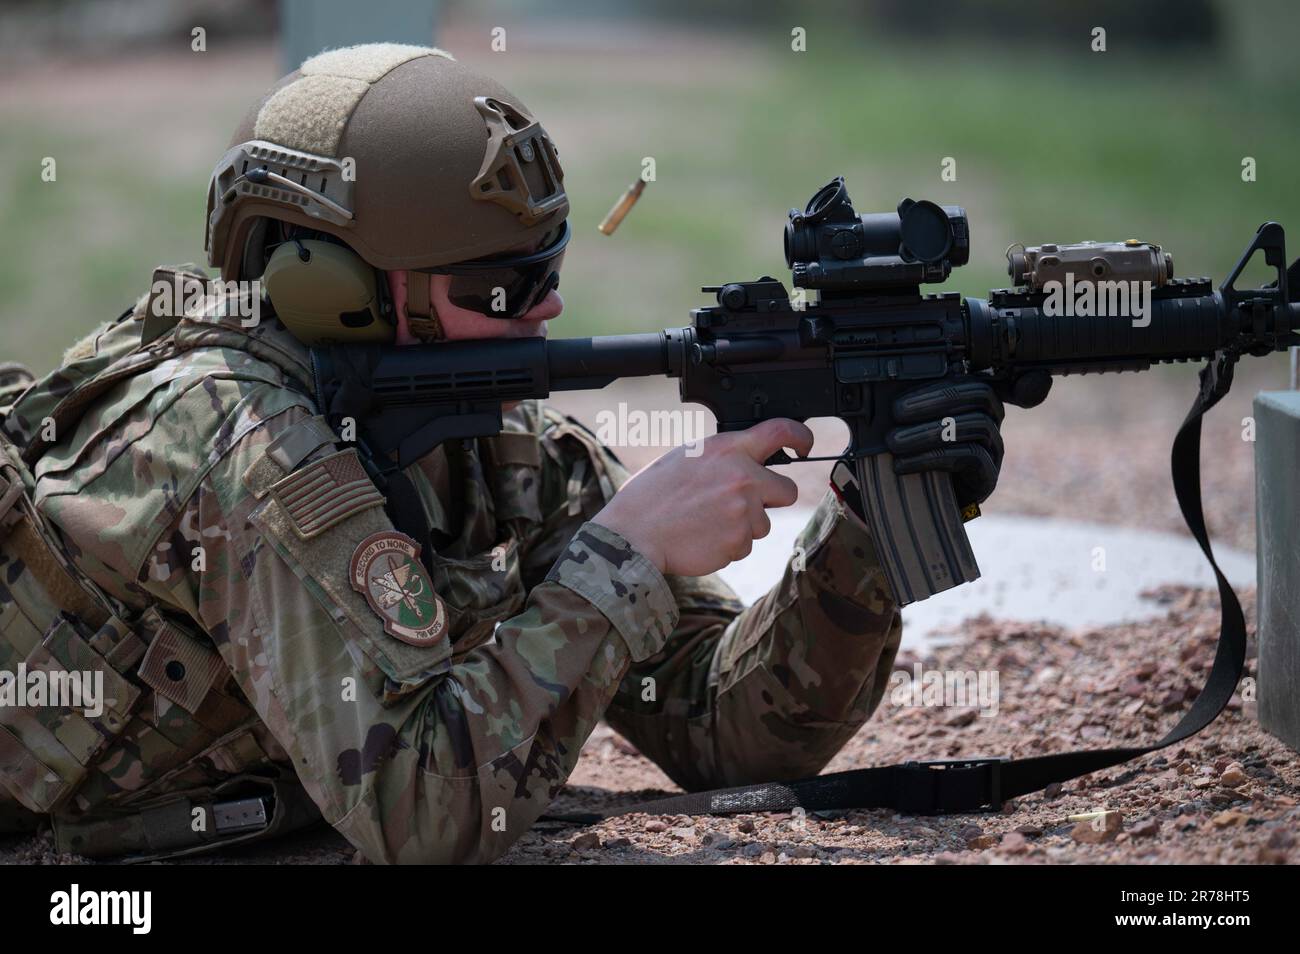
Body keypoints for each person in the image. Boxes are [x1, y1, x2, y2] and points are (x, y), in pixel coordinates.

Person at [0, 43, 1025, 862]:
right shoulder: (236, 440)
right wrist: (619, 559)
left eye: (548, 268)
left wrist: (866, 525)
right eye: (500, 290)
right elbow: (421, 822)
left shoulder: (485, 442)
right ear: (334, 289)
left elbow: (728, 731)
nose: (549, 309)